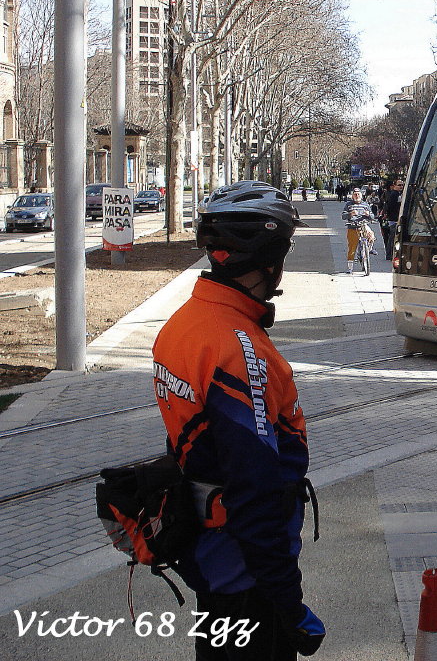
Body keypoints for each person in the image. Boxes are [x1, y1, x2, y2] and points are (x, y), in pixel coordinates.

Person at [151, 180, 325, 660]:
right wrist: (288, 604)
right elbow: (255, 492)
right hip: (245, 576)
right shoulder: (239, 351)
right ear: (269, 260)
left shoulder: (183, 325)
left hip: (208, 558)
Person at [343, 188, 376, 272]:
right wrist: (350, 214)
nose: (357, 196)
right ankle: (350, 268)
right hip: (353, 227)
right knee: (352, 247)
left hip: (363, 225)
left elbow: (372, 216)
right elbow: (343, 216)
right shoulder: (349, 205)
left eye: (358, 194)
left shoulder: (365, 205)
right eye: (355, 194)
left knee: (371, 236)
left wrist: (368, 215)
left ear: (361, 195)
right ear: (352, 196)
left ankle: (369, 249)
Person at [380, 178, 403, 261]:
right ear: (394, 186)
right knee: (392, 237)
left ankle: (390, 254)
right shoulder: (394, 194)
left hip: (394, 218)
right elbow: (390, 207)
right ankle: (389, 254)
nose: (401, 186)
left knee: (393, 237)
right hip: (393, 219)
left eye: (402, 185)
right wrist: (389, 215)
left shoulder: (398, 194)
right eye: (399, 185)